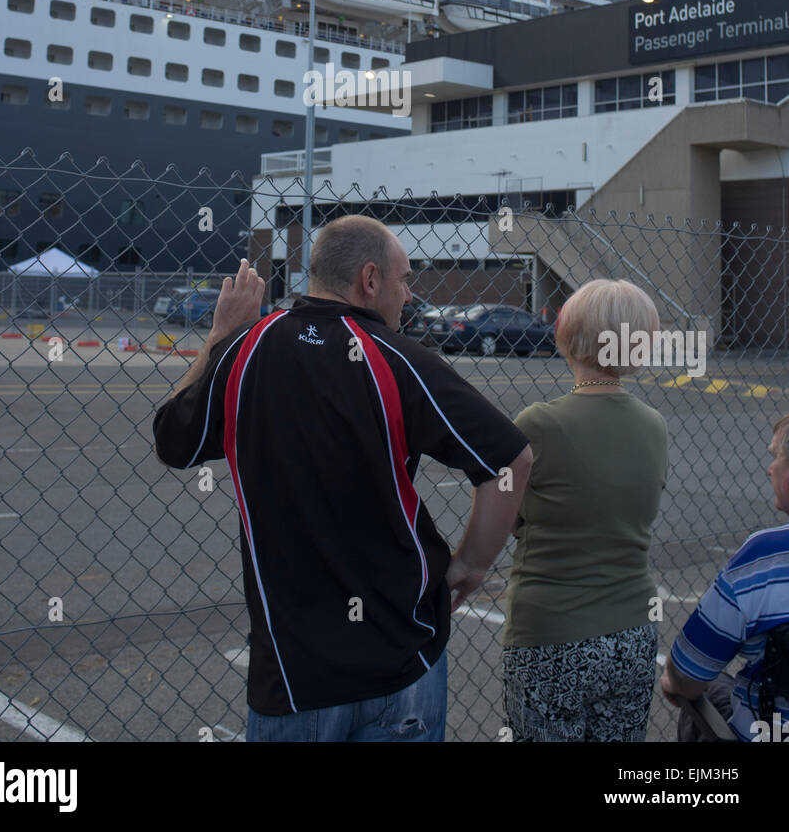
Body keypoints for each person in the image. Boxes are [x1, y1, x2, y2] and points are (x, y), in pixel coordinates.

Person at [153, 217, 532, 742]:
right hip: (402, 660)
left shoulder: (247, 350)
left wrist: (220, 337)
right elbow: (511, 458)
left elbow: (172, 441)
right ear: (370, 280)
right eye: (404, 280)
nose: (409, 294)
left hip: (292, 679)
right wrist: (471, 564)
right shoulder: (401, 360)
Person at [500, 279, 669, 741]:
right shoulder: (654, 425)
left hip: (551, 630)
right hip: (633, 628)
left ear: (567, 334)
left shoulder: (539, 423)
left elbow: (507, 516)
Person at [660, 413, 789, 740]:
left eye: (777, 457)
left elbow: (687, 675)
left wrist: (675, 682)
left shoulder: (764, 558)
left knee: (702, 683)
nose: (769, 468)